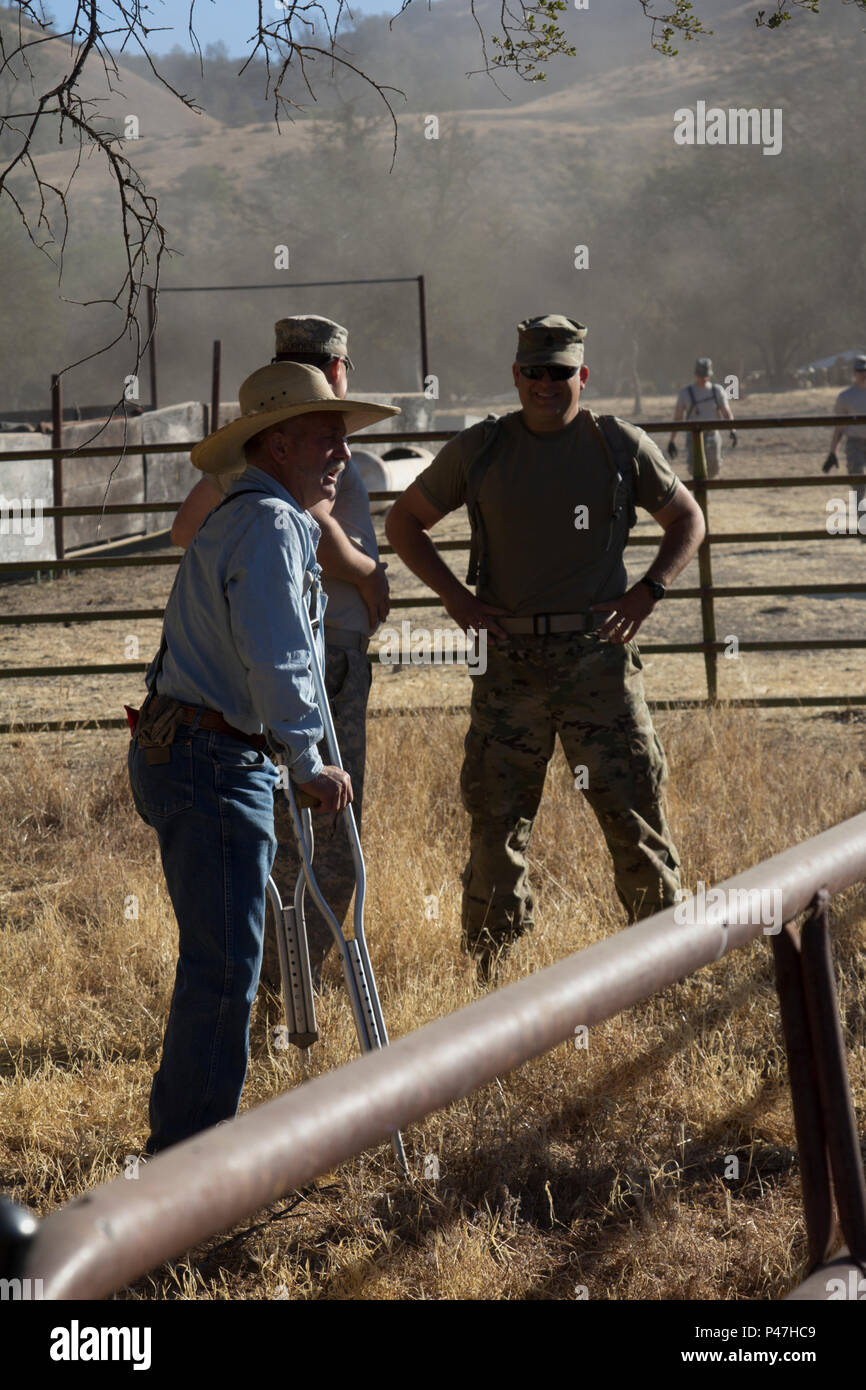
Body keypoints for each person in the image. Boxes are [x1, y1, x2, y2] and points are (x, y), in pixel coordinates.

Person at [385, 314, 706, 979]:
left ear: (581, 376)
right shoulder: (482, 449)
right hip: (509, 667)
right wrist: (456, 598)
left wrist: (648, 591)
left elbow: (687, 518)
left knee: (633, 817)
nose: (546, 385)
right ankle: (493, 975)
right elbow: (404, 522)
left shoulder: (620, 446)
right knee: (496, 825)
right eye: (534, 372)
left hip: (598, 661)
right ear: (516, 376)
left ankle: (665, 969)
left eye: (560, 372)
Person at [128, 362, 397, 1152]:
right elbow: (275, 649)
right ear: (278, 443)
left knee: (221, 960)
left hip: (196, 748)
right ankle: (188, 1171)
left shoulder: (250, 515)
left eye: (344, 438)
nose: (341, 454)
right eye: (325, 437)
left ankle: (185, 1156)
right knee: (224, 969)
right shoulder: (271, 523)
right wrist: (307, 756)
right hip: (215, 756)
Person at [173, 317, 391, 986]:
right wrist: (362, 571)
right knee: (317, 829)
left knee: (307, 831)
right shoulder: (277, 483)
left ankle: (283, 979)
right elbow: (202, 529)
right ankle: (284, 981)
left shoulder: (309, 450)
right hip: (305, 669)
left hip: (317, 654)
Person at [666, 357, 736, 479]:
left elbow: (726, 412)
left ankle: (705, 492)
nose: (703, 379)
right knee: (696, 471)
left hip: (712, 435)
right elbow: (678, 418)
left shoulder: (717, 391)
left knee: (714, 468)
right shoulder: (685, 393)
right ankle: (699, 495)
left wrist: (732, 430)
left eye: (706, 376)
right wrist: (672, 440)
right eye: (700, 375)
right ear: (695, 374)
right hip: (693, 437)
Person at [822, 353, 866, 539]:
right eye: (859, 371)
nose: (863, 374)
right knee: (858, 483)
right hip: (855, 443)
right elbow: (839, 427)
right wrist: (833, 451)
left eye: (865, 370)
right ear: (853, 373)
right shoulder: (845, 397)